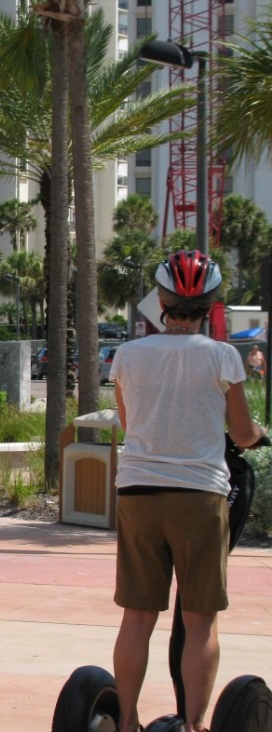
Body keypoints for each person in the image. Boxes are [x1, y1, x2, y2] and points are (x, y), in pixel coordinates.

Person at [109, 249, 265, 732]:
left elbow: (130, 424)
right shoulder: (222, 356)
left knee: (137, 616)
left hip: (137, 492)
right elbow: (240, 434)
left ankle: (128, 721)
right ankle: (196, 727)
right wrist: (257, 434)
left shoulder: (128, 355)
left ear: (160, 299)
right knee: (199, 619)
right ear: (211, 304)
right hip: (198, 495)